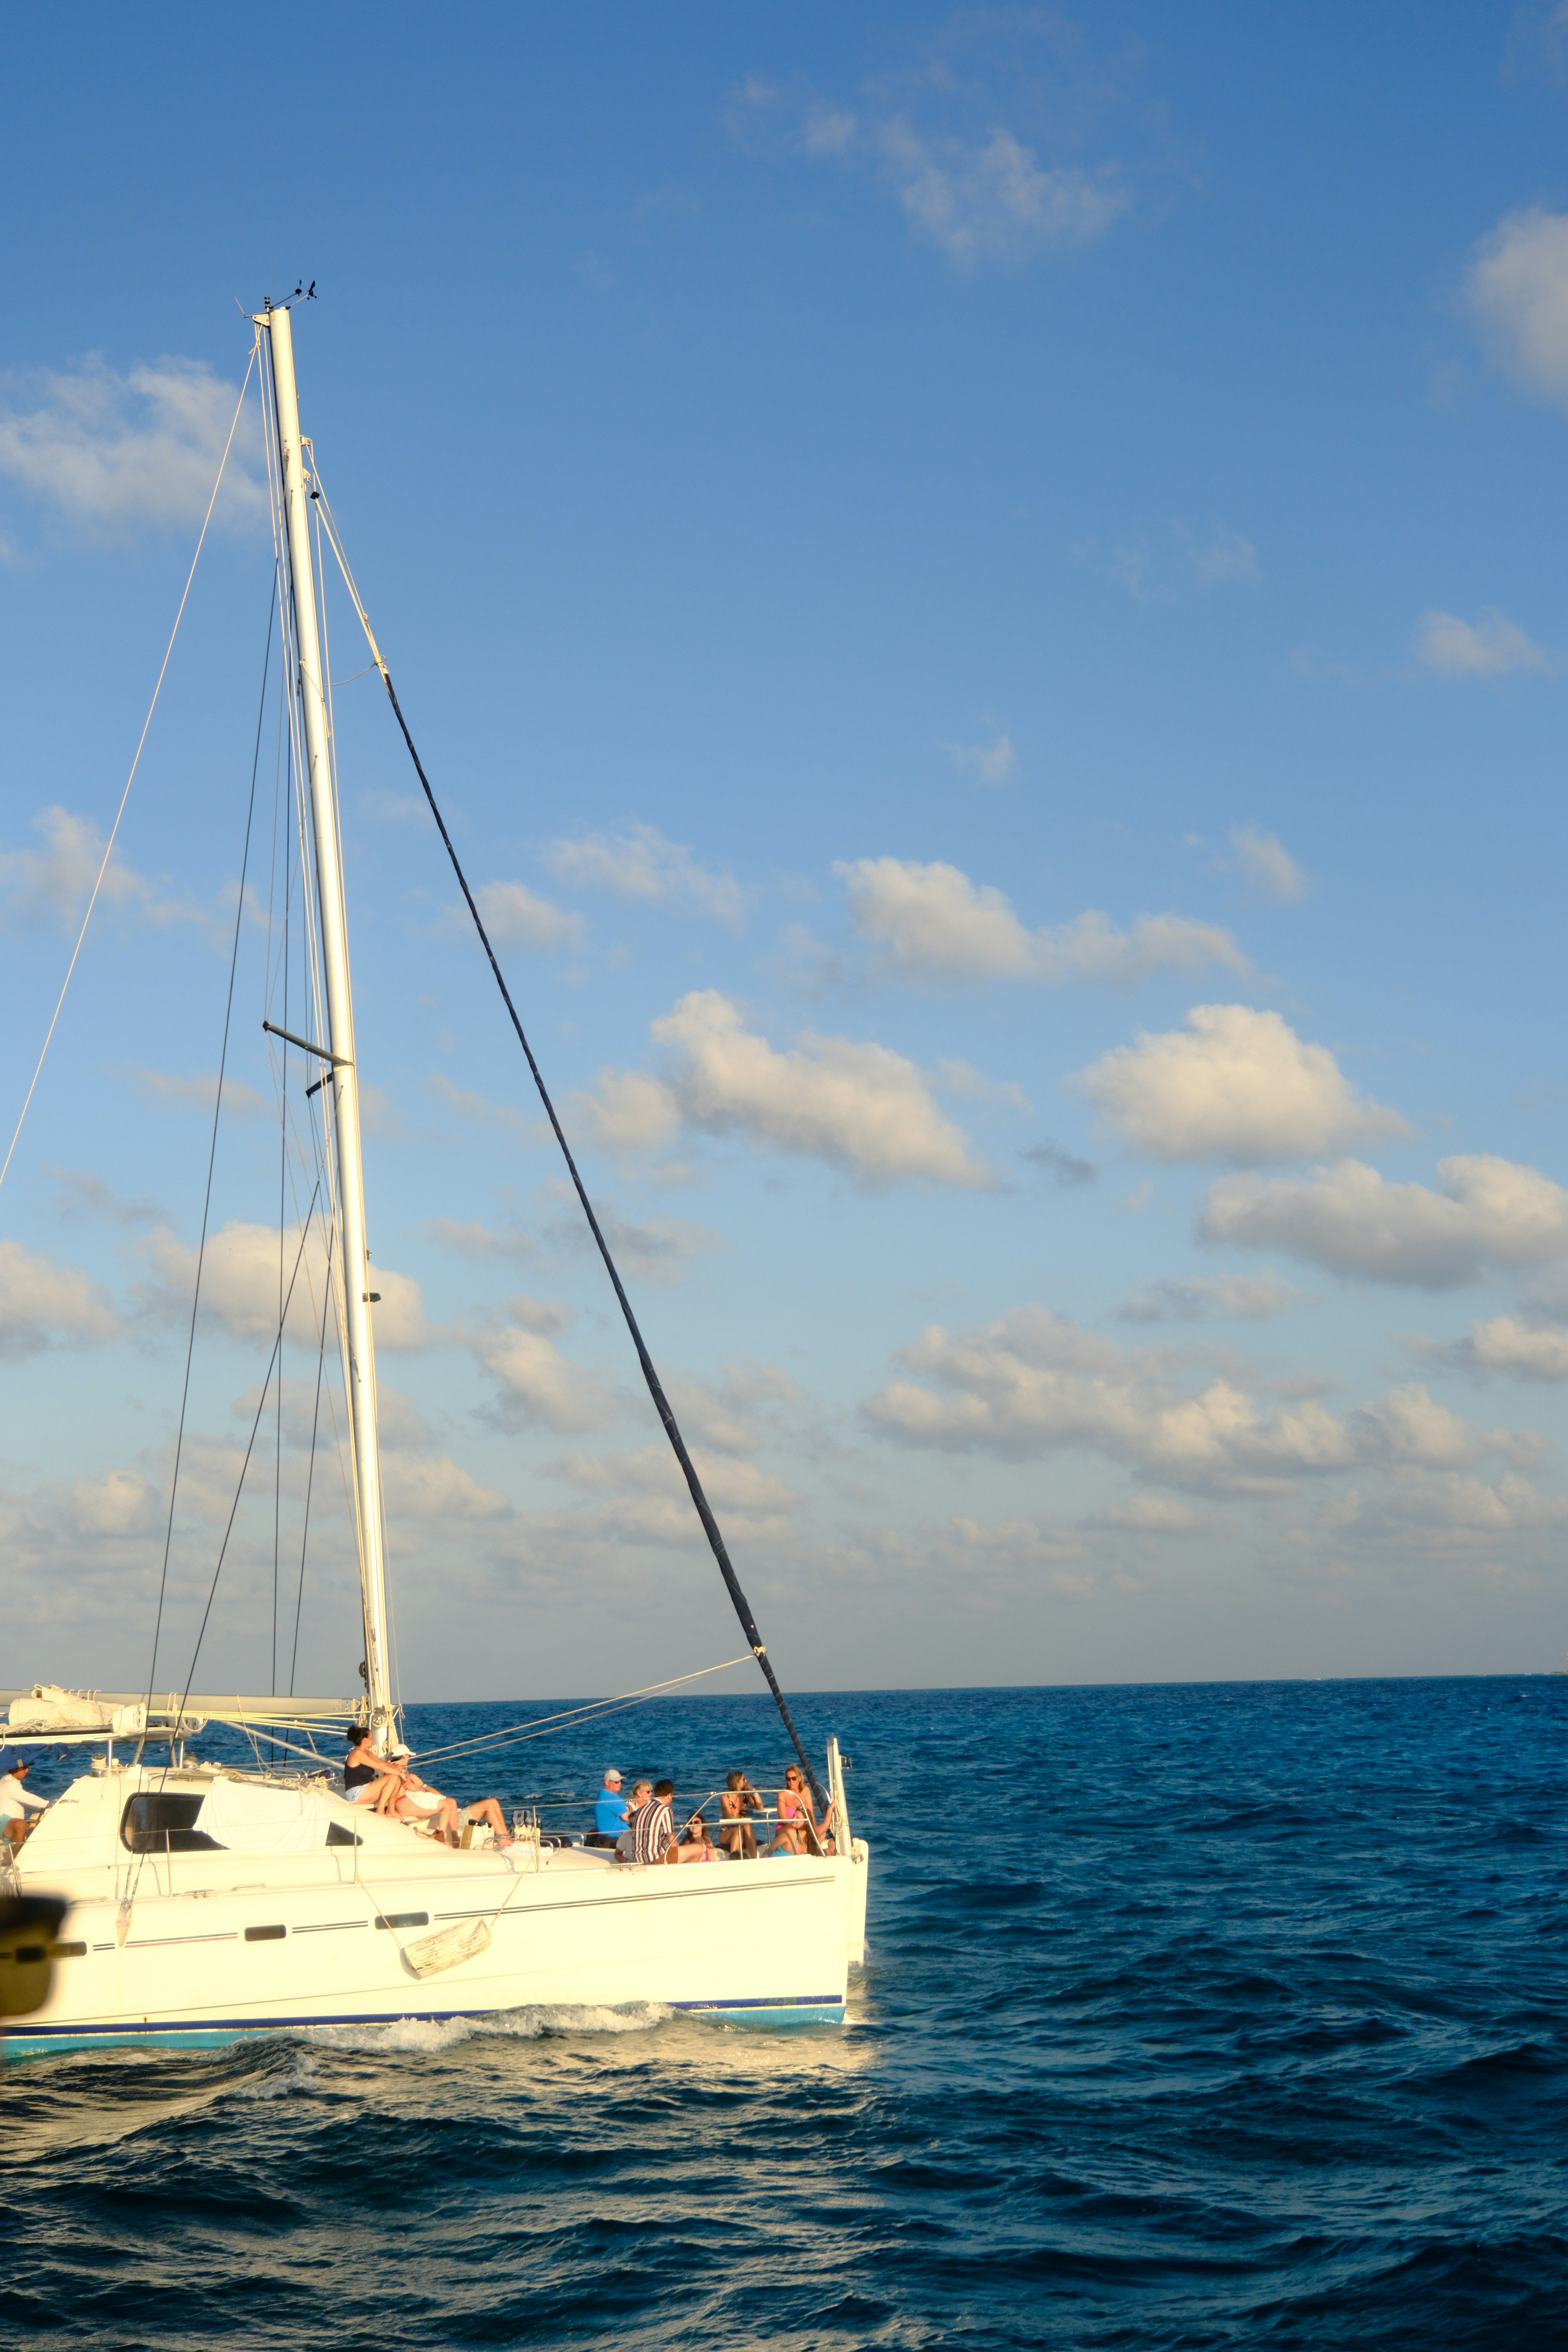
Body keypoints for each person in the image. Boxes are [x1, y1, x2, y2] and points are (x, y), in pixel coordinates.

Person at [343, 1727, 405, 1816]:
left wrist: (403, 1772)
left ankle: (391, 1810)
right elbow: (380, 1767)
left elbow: (383, 1763)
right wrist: (401, 1774)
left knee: (397, 1779)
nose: (372, 1741)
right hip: (356, 1793)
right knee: (394, 1778)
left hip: (367, 1789)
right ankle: (380, 1810)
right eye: (371, 1738)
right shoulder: (357, 1754)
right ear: (365, 1740)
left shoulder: (368, 1753)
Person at [766, 1764, 821, 1856]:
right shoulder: (782, 1794)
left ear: (800, 1778)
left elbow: (811, 1813)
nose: (791, 1782)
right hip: (786, 1828)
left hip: (802, 1826)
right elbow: (783, 1817)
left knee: (820, 1832)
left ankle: (812, 1854)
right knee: (794, 1831)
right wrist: (799, 1824)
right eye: (788, 1779)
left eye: (794, 1778)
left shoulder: (806, 1790)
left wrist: (814, 1827)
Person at [0, 1755, 47, 1853]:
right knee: (21, 1824)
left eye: (28, 1767)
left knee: (33, 1822)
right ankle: (18, 1857)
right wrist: (50, 1804)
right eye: (24, 1768)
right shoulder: (9, 1784)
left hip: (9, 1823)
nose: (27, 1770)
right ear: (15, 1769)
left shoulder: (13, 1782)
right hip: (3, 1821)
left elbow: (24, 1803)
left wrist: (42, 1808)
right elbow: (28, 1798)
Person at [718, 1769, 763, 1860]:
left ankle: (754, 1859)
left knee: (746, 1827)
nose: (746, 1781)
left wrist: (754, 1791)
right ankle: (734, 1859)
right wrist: (742, 1819)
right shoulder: (725, 1798)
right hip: (727, 1831)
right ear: (737, 1782)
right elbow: (731, 1819)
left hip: (743, 1827)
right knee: (740, 1828)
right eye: (744, 1779)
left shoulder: (745, 1795)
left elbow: (760, 1806)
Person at [587, 1768, 628, 1849]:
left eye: (621, 1781)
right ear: (607, 1783)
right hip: (614, 1836)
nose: (620, 1783)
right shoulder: (609, 1796)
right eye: (616, 1782)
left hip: (615, 1834)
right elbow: (627, 1817)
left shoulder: (609, 1794)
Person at [615, 1781, 652, 1859]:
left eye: (652, 1791)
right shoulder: (630, 1806)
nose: (651, 1794)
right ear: (639, 1793)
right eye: (648, 1792)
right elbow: (627, 1814)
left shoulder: (650, 1805)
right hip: (631, 1836)